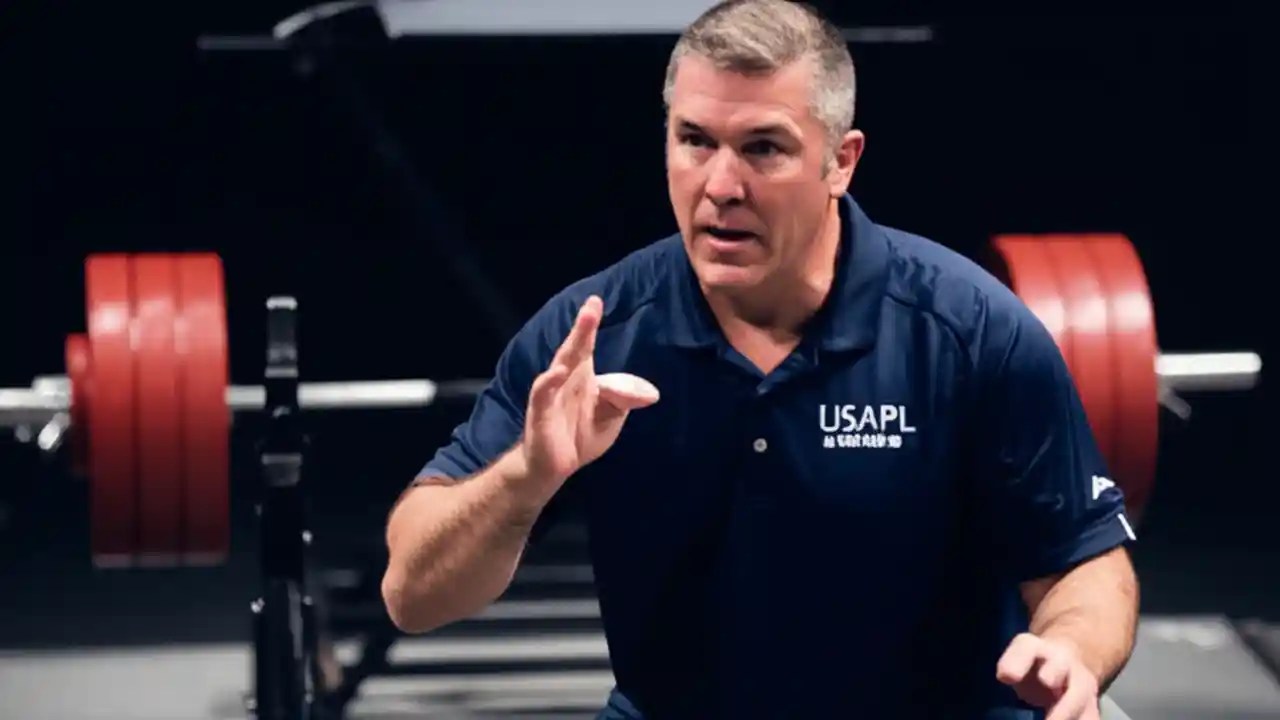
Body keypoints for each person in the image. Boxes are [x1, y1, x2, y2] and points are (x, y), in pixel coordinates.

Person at [381, 1, 1140, 717]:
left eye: (763, 149)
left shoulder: (970, 331)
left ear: (840, 163)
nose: (720, 186)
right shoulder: (592, 335)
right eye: (694, 140)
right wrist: (526, 475)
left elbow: (1085, 563)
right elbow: (412, 596)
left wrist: (1071, 649)